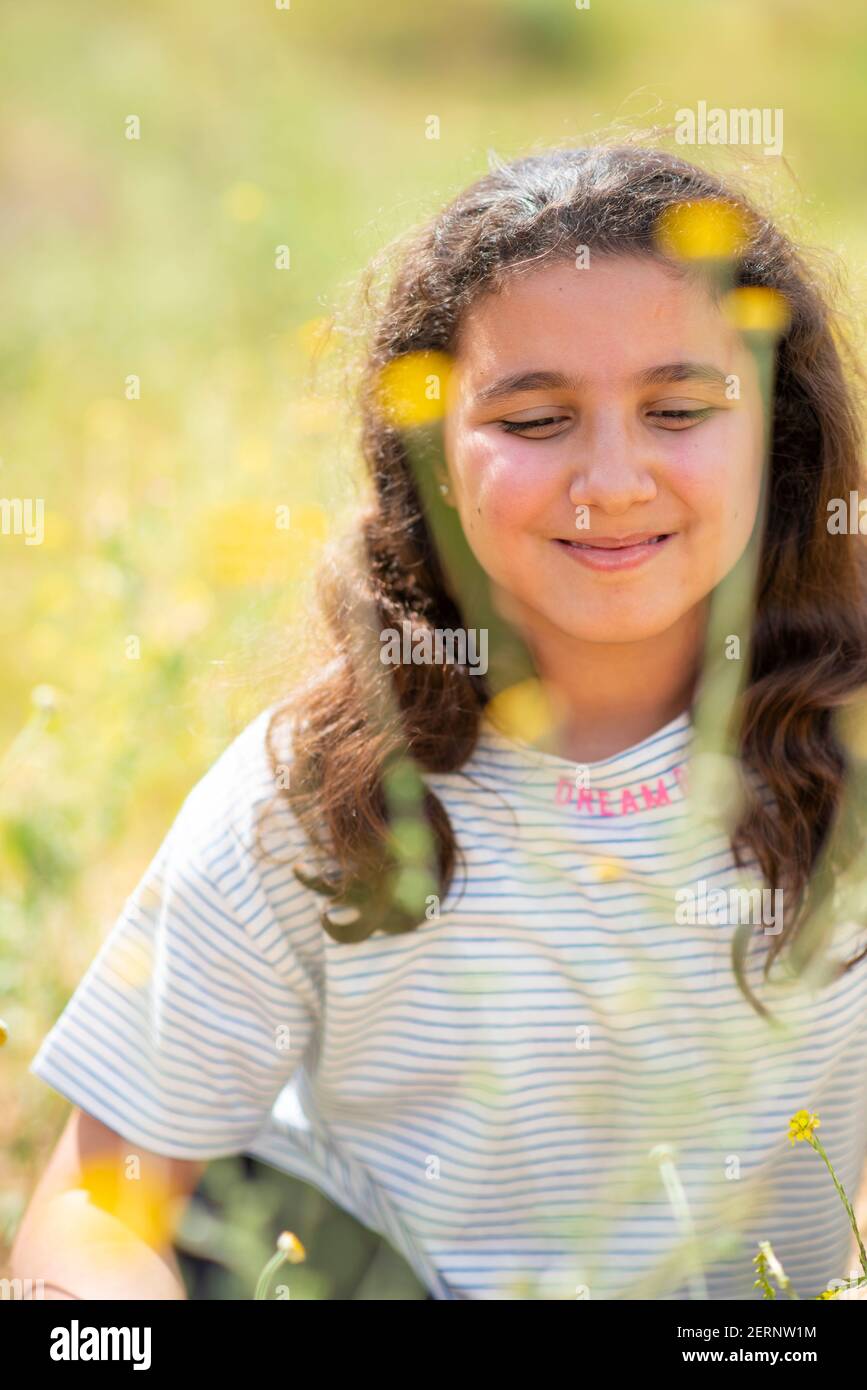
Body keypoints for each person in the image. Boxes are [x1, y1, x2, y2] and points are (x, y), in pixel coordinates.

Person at [13, 143, 867, 1301]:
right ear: (429, 462)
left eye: (677, 408)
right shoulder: (318, 786)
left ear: (784, 436)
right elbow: (88, 1213)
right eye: (534, 420)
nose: (611, 479)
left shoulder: (851, 755)